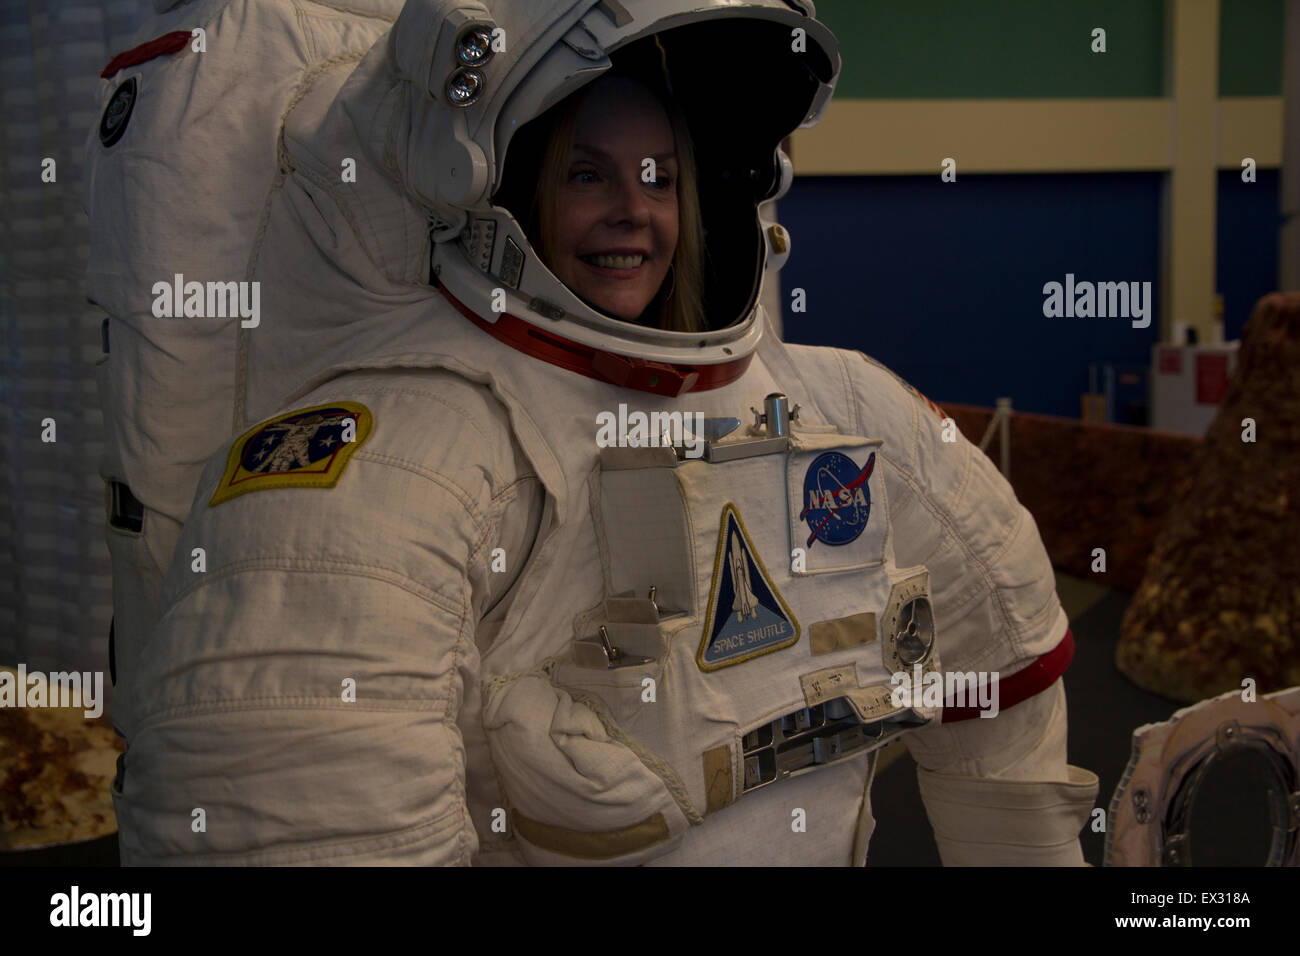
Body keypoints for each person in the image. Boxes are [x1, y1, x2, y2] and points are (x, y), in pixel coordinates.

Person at [109, 0, 1097, 865]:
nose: (632, 209)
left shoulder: (843, 405)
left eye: (660, 176)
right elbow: (299, 822)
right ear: (505, 185)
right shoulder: (396, 462)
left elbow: (1002, 662)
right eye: (587, 174)